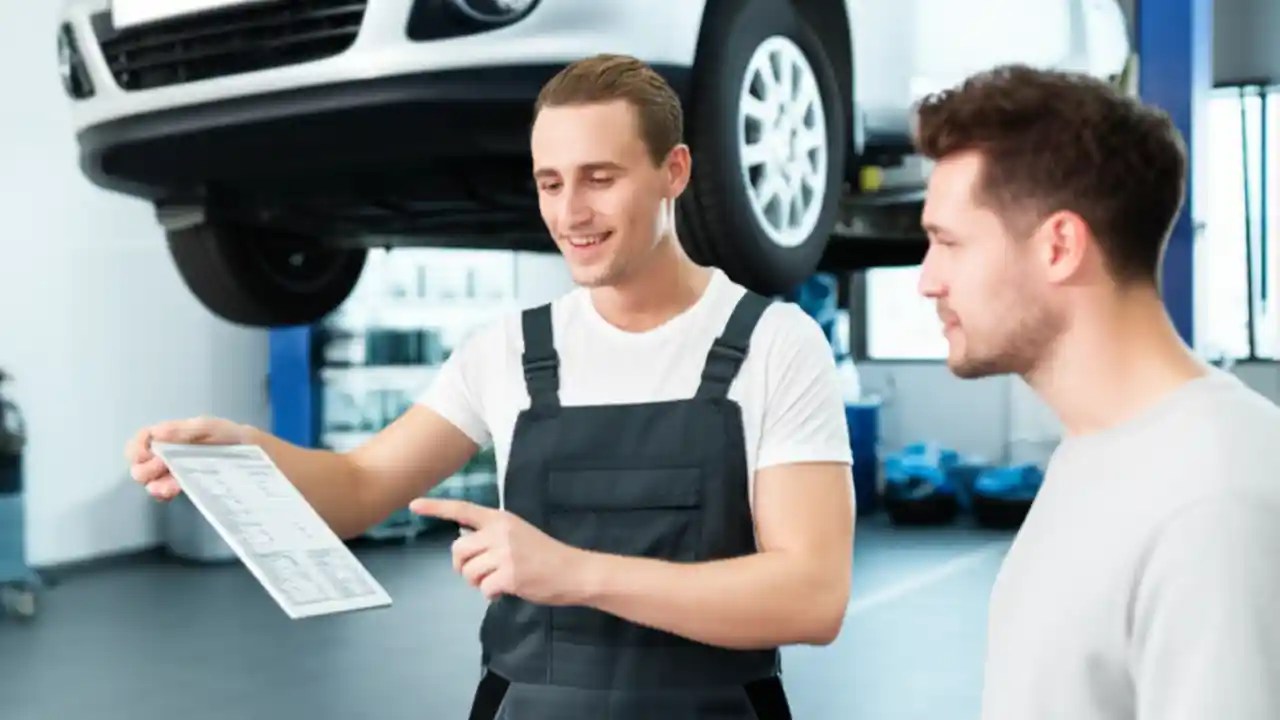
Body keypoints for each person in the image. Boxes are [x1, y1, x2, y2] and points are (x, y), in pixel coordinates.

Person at [125, 53, 855, 719]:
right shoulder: (508, 350)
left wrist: (574, 573)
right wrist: (245, 455)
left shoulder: (773, 346)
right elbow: (355, 488)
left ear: (676, 171)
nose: (571, 214)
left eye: (601, 178)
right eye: (550, 183)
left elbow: (811, 597)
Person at [912, 64, 1280, 720]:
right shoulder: (1101, 450)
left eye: (949, 243)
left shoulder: (1215, 502)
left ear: (1059, 246)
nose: (928, 281)